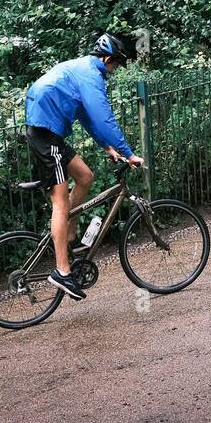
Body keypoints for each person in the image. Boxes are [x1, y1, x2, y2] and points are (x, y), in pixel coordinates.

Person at [24, 33, 143, 300]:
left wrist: (107, 147)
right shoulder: (91, 75)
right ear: (108, 59)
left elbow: (88, 118)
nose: (114, 71)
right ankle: (62, 272)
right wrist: (128, 153)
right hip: (44, 134)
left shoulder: (83, 69)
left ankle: (70, 233)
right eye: (116, 65)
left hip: (49, 132)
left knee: (85, 176)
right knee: (60, 202)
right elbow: (103, 118)